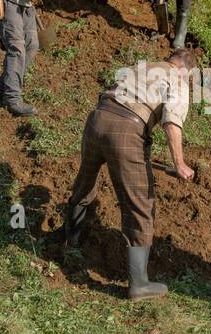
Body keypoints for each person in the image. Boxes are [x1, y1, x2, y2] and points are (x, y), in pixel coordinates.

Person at [64, 49, 197, 300]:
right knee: (140, 203)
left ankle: (70, 243)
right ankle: (139, 284)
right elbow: (171, 120)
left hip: (97, 119)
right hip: (127, 129)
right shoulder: (178, 80)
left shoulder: (143, 66)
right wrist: (179, 162)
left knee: (84, 183)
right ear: (185, 71)